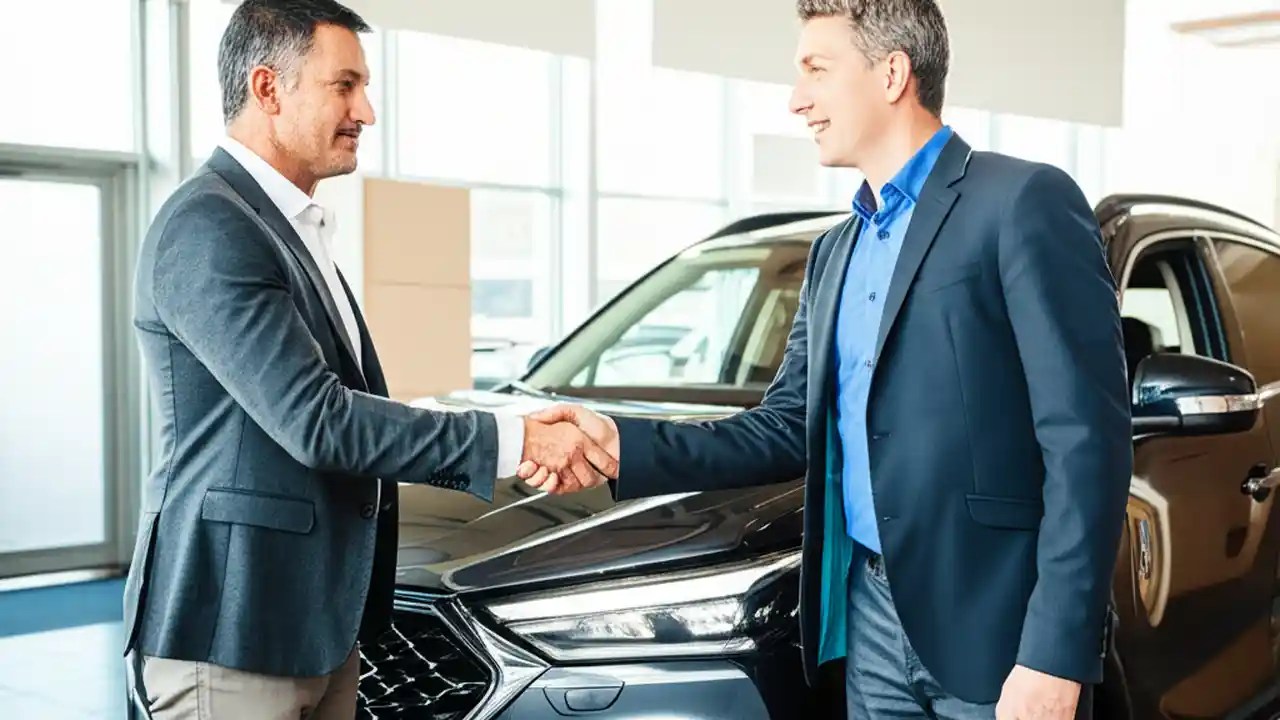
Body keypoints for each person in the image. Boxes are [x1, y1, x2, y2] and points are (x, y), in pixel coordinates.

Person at [519, 1, 1131, 718]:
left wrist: (1055, 653)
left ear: (892, 72)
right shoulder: (833, 253)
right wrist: (621, 441)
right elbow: (780, 428)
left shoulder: (1022, 200)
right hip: (869, 616)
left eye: (816, 69)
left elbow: (1087, 442)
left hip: (996, 625)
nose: (796, 98)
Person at [123, 1, 613, 717]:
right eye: (344, 86)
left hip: (313, 622)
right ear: (267, 88)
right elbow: (318, 420)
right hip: (233, 628)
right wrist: (516, 441)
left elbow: (331, 405)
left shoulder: (286, 227)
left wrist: (507, 423)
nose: (367, 112)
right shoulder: (211, 226)